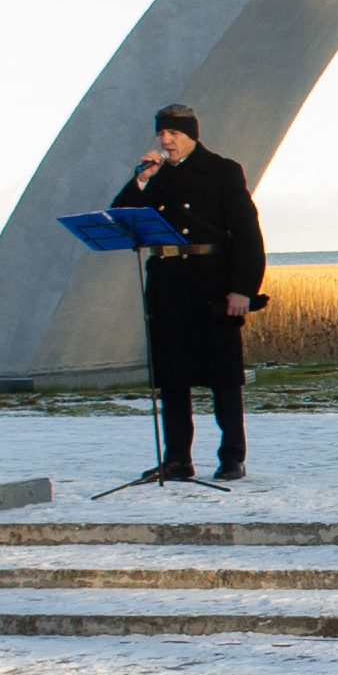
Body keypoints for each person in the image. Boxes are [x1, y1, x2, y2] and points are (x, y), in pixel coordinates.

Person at [113, 102, 267, 481]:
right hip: (167, 285)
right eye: (162, 134)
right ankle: (177, 458)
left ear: (192, 135)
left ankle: (232, 457)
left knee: (223, 376)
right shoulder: (157, 176)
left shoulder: (223, 171)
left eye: (174, 134)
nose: (166, 141)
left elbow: (247, 234)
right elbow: (122, 216)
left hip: (212, 284)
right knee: (172, 376)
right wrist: (143, 181)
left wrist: (243, 289)